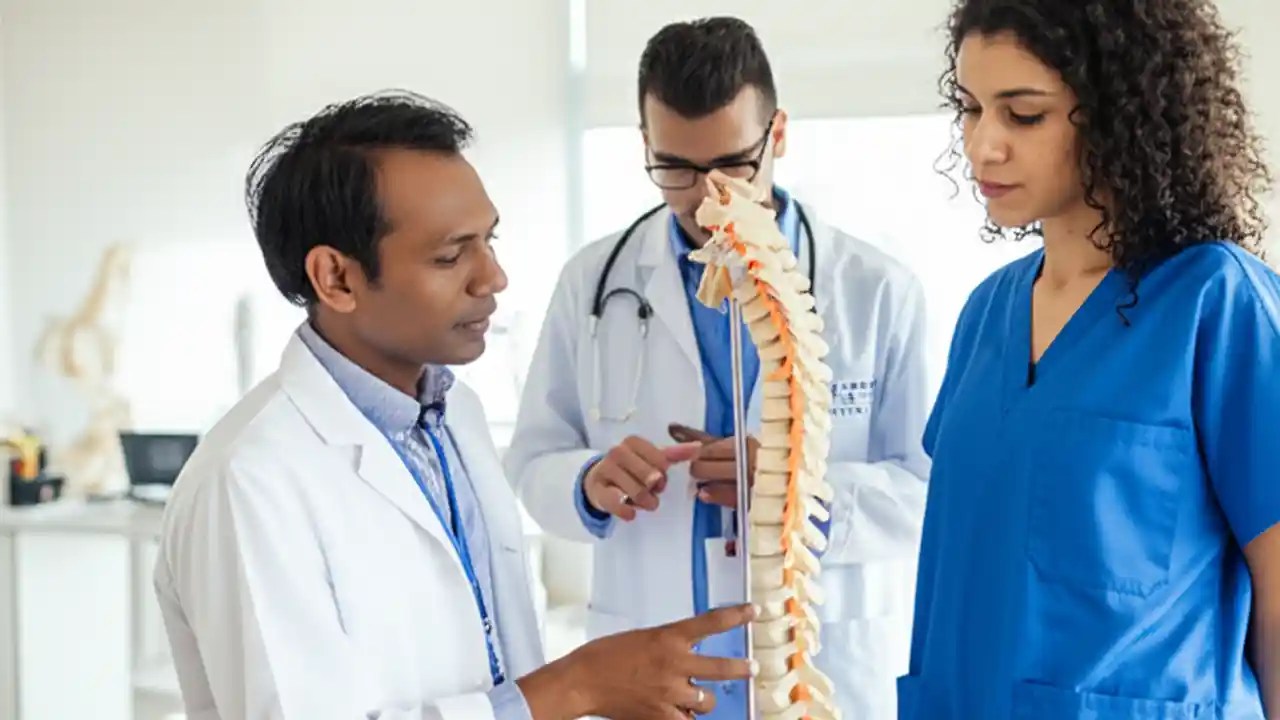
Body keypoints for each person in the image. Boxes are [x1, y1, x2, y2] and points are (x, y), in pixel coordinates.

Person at [151, 90, 759, 720]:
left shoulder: (452, 413)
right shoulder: (249, 479)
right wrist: (577, 686)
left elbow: (490, 662)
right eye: (449, 256)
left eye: (488, 241)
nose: (492, 278)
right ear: (336, 278)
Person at [505, 16, 930, 720]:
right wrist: (586, 482)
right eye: (674, 167)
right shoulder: (593, 283)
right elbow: (532, 461)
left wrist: (793, 488)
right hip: (654, 664)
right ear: (645, 145)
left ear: (779, 136)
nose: (707, 196)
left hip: (813, 668)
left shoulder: (876, 288)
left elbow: (924, 489)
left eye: (734, 165)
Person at [898, 1, 1280, 718]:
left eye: (1024, 114)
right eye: (971, 108)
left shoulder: (1218, 304)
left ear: (1117, 112)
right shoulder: (985, 315)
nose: (982, 146)